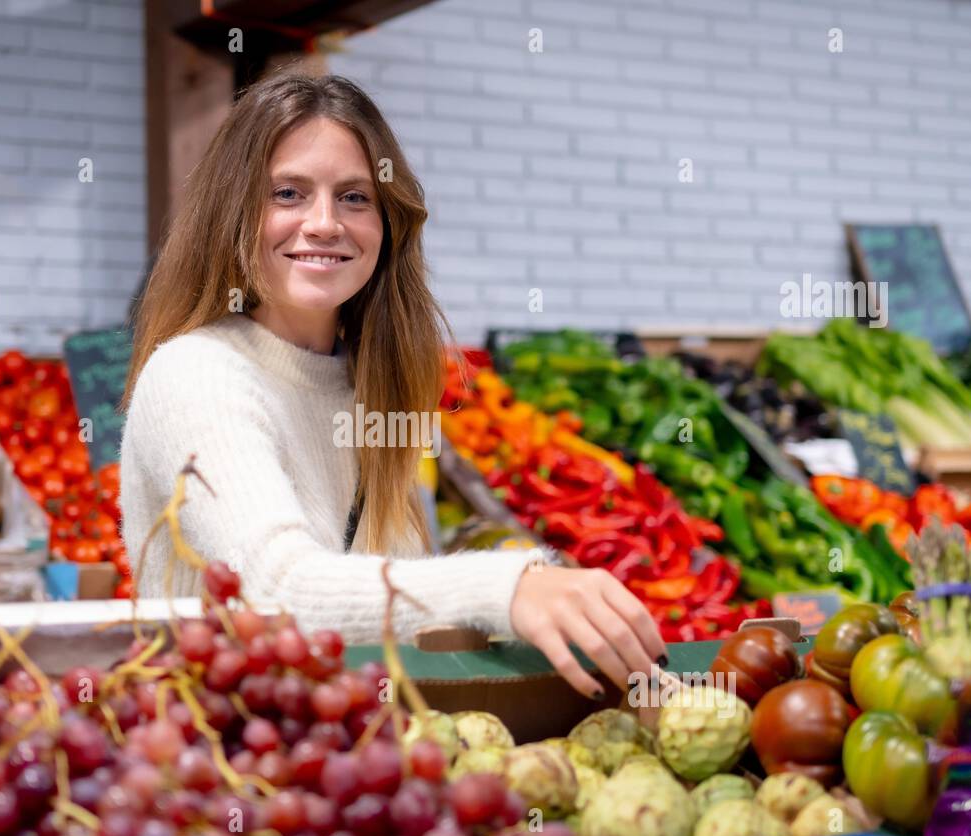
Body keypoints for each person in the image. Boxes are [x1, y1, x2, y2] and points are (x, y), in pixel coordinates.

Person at [120, 71, 666, 698]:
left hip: (344, 749)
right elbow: (274, 591)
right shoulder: (196, 373)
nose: (324, 223)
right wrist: (507, 587)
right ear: (234, 211)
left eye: (354, 197)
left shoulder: (371, 385)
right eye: (289, 193)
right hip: (225, 763)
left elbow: (387, 601)